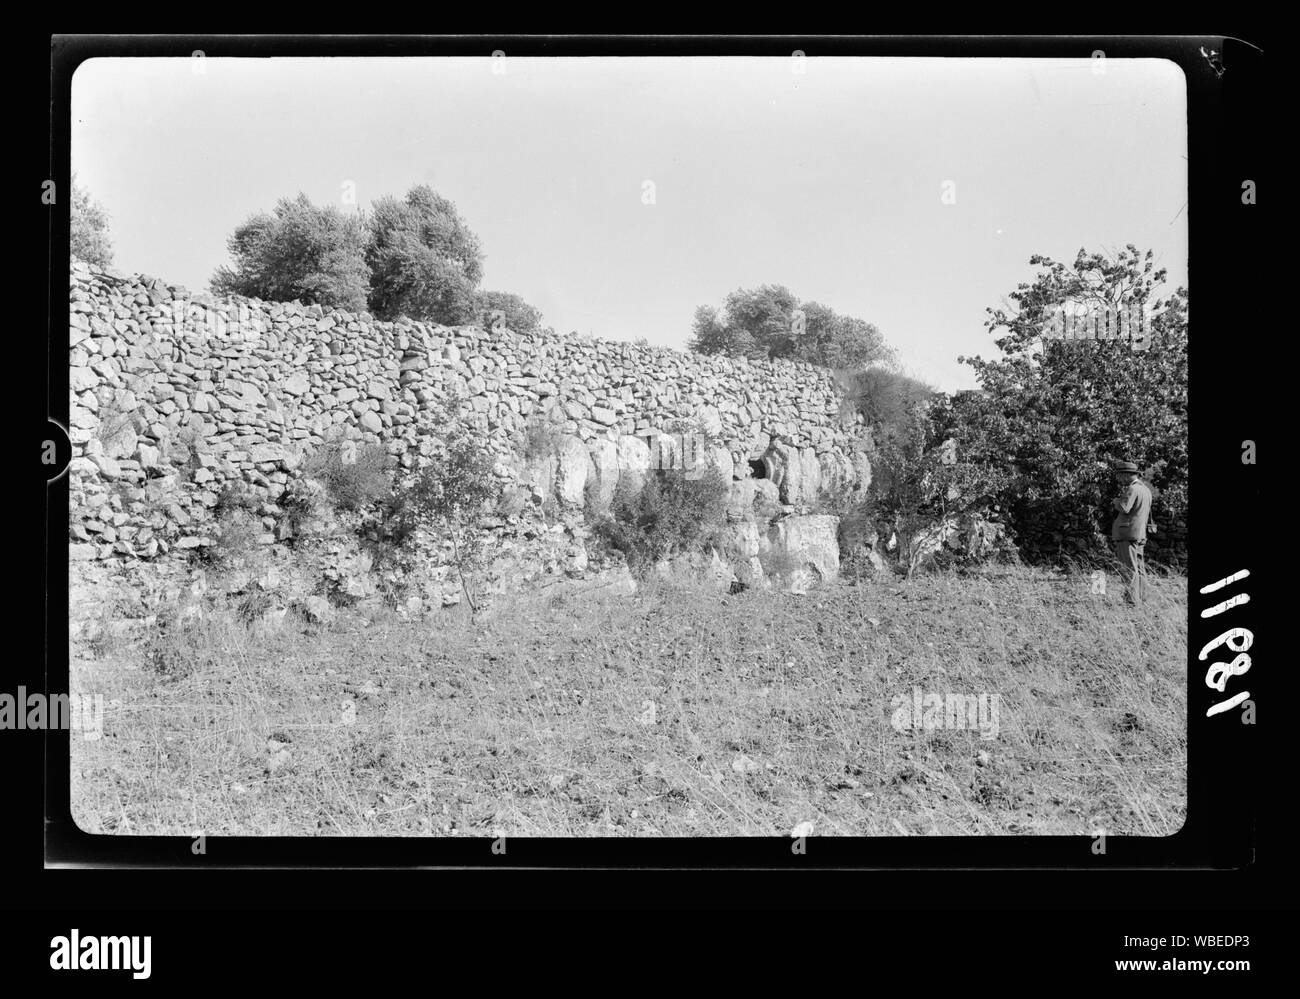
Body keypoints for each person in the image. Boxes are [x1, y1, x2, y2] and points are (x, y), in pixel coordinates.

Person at [1110, 460, 1156, 604]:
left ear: (1126, 475)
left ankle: (1131, 601)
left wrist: (1116, 501)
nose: (1118, 479)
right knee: (1139, 569)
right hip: (1140, 534)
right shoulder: (1145, 489)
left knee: (1128, 569)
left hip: (1128, 534)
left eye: (1119, 475)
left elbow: (1124, 508)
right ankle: (1142, 598)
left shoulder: (1132, 489)